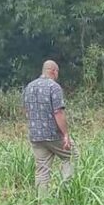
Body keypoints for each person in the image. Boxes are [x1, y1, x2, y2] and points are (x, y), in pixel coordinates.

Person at [22, 60, 74, 195]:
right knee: (72, 156)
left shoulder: (29, 87)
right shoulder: (54, 87)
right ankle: (67, 192)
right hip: (53, 135)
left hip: (35, 136)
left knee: (42, 169)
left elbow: (27, 111)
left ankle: (42, 203)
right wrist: (66, 135)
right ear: (54, 71)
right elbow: (58, 112)